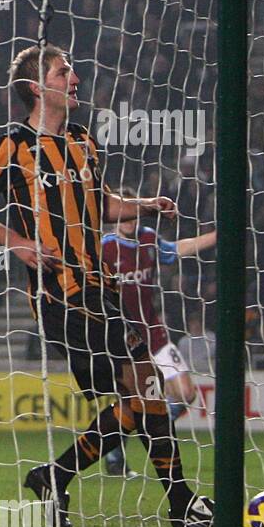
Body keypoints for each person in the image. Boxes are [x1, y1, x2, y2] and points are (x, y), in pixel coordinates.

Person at [0, 43, 213, 527]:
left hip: (101, 288)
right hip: (61, 294)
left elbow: (101, 205)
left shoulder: (83, 140)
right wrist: (19, 243)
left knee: (139, 399)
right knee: (144, 387)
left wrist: (146, 205)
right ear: (38, 87)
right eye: (63, 70)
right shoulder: (11, 147)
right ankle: (179, 502)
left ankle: (54, 476)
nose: (74, 77)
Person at [99, 204, 216, 476]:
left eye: (132, 214)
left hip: (153, 330)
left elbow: (177, 249)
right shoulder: (104, 246)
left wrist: (216, 236)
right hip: (122, 336)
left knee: (186, 393)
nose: (129, 220)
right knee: (129, 401)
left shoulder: (149, 238)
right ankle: (116, 459)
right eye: (123, 215)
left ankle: (149, 424)